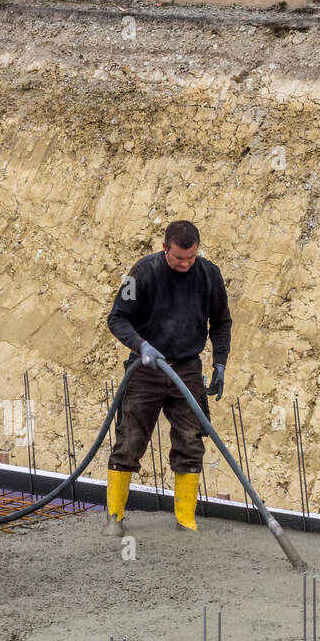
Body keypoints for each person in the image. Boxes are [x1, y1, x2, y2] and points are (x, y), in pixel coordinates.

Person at [102, 220, 232, 535]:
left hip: (186, 368)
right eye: (178, 259)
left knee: (190, 441)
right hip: (146, 368)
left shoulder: (209, 274)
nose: (185, 264)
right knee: (131, 439)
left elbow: (222, 321)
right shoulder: (142, 273)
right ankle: (114, 518)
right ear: (165, 249)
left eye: (191, 258)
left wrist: (219, 364)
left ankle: (186, 520)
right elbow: (117, 318)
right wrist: (142, 345)